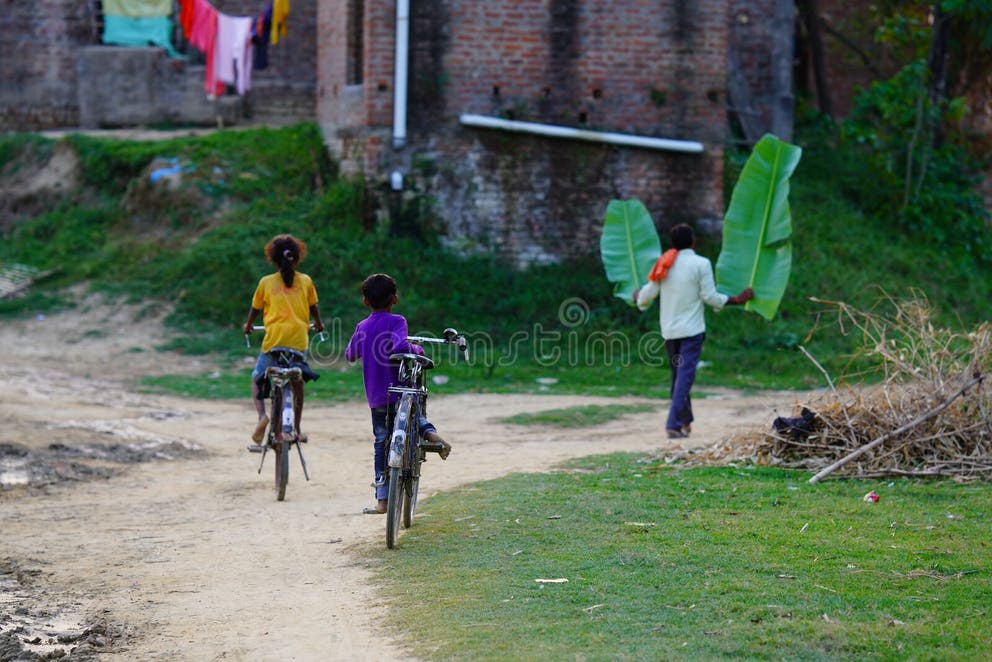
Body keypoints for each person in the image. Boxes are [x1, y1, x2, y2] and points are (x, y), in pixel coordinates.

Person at [634, 223, 753, 439]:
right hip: (691, 332)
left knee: (679, 377)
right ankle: (672, 424)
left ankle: (685, 422)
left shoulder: (665, 263)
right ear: (693, 241)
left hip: (669, 332)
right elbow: (709, 296)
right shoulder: (701, 263)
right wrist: (736, 299)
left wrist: (638, 298)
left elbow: (647, 293)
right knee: (684, 378)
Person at [345, 273, 451, 514]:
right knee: (412, 411)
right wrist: (418, 348)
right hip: (399, 390)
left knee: (381, 441)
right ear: (395, 298)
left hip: (377, 397)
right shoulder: (397, 321)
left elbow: (350, 355)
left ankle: (382, 501)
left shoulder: (362, 327)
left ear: (365, 302)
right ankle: (430, 433)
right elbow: (400, 346)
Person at [242, 234, 325, 448]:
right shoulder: (305, 281)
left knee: (257, 377)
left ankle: (262, 416)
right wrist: (319, 324)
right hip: (298, 340)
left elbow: (255, 309)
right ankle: (296, 429)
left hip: (274, 341)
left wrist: (248, 325)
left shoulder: (266, 282)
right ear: (296, 258)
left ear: (273, 258)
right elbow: (314, 307)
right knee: (297, 385)